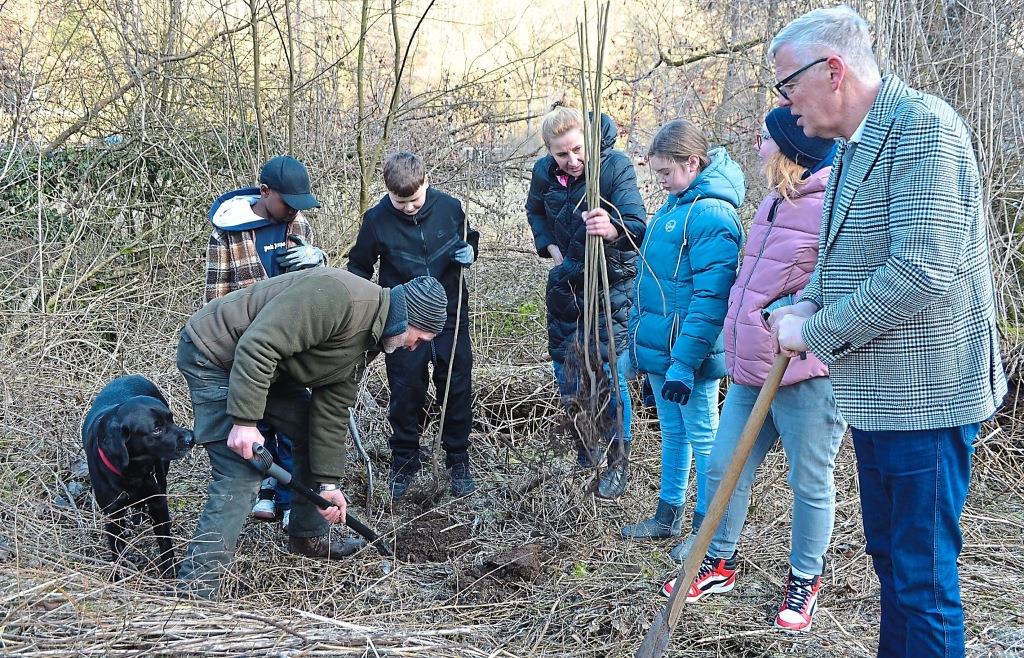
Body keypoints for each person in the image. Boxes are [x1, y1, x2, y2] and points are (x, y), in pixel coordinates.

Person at [768, 6, 1006, 655]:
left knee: (922, 581)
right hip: (877, 398)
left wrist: (815, 332)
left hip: (927, 397)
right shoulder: (852, 147)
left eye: (788, 86)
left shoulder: (923, 129)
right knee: (893, 569)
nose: (787, 106)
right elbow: (839, 257)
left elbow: (921, 270)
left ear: (833, 71)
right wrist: (801, 305)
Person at [661, 107, 845, 634]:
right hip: (749, 369)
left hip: (805, 371)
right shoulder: (768, 204)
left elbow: (835, 285)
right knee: (723, 465)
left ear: (790, 151)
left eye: (766, 140)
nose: (757, 147)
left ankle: (805, 578)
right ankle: (718, 562)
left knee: (808, 481)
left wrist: (785, 314)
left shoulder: (832, 206)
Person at [176, 268, 448, 599]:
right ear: (408, 318)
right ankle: (195, 591)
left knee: (306, 430)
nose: (414, 348)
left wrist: (328, 484)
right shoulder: (340, 298)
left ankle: (308, 536)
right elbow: (259, 345)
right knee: (241, 472)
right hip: (216, 355)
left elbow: (330, 410)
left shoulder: (370, 339)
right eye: (419, 339)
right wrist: (245, 422)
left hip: (269, 368)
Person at [618, 119, 743, 546]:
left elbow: (711, 298)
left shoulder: (711, 213)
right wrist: (637, 346)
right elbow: (650, 284)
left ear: (692, 162)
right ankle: (667, 516)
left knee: (704, 438)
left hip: (687, 356)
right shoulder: (675, 206)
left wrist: (685, 364)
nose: (662, 182)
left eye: (666, 173)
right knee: (673, 433)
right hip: (660, 349)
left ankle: (704, 534)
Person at [524, 101, 647, 499]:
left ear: (589, 139)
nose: (573, 160)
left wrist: (611, 229)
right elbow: (535, 212)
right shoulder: (544, 173)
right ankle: (586, 453)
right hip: (566, 289)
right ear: (549, 152)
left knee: (609, 377)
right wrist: (549, 248)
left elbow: (637, 225)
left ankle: (617, 462)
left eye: (578, 149)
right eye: (562, 153)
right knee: (570, 376)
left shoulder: (614, 167)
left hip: (610, 288)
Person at [205, 154, 328, 530]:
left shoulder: (298, 222)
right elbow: (215, 301)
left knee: (296, 422)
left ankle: (293, 502)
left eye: (299, 205)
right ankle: (266, 493)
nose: (294, 211)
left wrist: (318, 258)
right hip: (248, 348)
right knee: (256, 422)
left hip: (293, 344)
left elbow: (320, 288)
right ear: (265, 192)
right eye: (287, 203)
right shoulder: (228, 232)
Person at [347, 151, 479, 499]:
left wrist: (470, 252)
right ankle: (404, 461)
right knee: (406, 390)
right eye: (400, 201)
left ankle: (458, 460)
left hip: (450, 313)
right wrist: (363, 308)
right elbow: (358, 265)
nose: (408, 207)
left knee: (456, 385)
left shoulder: (450, 207)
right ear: (388, 192)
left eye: (414, 199)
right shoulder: (376, 219)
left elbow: (470, 237)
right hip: (403, 319)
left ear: (426, 183)